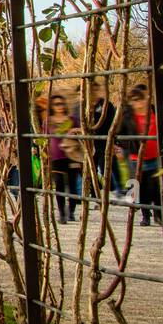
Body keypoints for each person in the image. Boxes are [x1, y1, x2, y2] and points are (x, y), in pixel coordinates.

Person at [118, 85, 162, 226]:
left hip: (155, 157)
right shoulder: (127, 116)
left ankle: (158, 214)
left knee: (155, 188)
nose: (137, 103)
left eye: (140, 99)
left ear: (145, 99)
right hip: (137, 158)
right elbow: (119, 135)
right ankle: (145, 216)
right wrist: (130, 147)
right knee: (141, 188)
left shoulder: (154, 111)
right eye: (134, 100)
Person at [45, 93, 81, 223]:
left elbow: (81, 133)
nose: (59, 106)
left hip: (72, 156)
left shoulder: (72, 120)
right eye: (56, 104)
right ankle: (62, 214)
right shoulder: (48, 121)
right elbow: (44, 139)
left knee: (72, 186)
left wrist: (74, 131)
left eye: (61, 103)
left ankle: (71, 211)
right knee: (59, 184)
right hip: (56, 157)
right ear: (52, 106)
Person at [87, 87, 124, 201]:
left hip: (105, 142)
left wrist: (114, 142)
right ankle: (95, 194)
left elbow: (112, 123)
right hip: (91, 144)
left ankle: (119, 191)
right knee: (90, 169)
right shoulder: (86, 106)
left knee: (107, 168)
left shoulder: (106, 105)